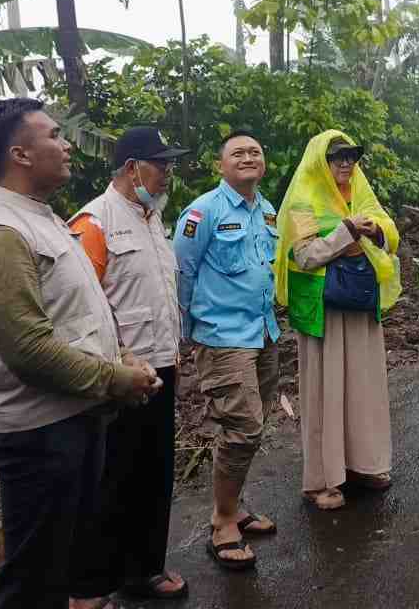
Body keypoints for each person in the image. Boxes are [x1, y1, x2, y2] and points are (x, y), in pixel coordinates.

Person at [0, 99, 161, 609]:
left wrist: (121, 359)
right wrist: (115, 379)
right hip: (38, 433)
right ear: (20, 153)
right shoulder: (0, 234)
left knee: (60, 568)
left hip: (72, 420)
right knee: (33, 580)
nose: (67, 144)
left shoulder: (41, 219)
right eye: (54, 135)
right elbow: (27, 348)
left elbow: (76, 315)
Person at [68, 127, 190, 602]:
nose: (168, 174)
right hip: (117, 375)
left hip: (161, 366)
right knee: (111, 479)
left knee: (154, 473)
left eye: (170, 165)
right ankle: (94, 585)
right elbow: (77, 310)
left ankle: (144, 568)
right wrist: (113, 368)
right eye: (161, 165)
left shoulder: (152, 219)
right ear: (130, 167)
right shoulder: (93, 222)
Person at [275, 131, 401, 510]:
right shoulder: (303, 197)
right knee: (324, 389)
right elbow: (304, 255)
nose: (346, 163)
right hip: (322, 307)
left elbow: (389, 231)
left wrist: (374, 230)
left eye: (351, 155)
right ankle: (320, 480)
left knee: (364, 383)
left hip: (360, 298)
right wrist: (346, 232)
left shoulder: (360, 191)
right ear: (319, 159)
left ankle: (364, 464)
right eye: (337, 156)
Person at [174, 131, 280, 571]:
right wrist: (187, 334)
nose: (248, 157)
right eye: (238, 152)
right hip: (222, 338)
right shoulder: (203, 212)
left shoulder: (267, 209)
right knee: (243, 428)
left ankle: (233, 507)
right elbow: (182, 273)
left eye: (255, 151)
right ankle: (221, 523)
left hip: (263, 331)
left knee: (252, 424)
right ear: (221, 166)